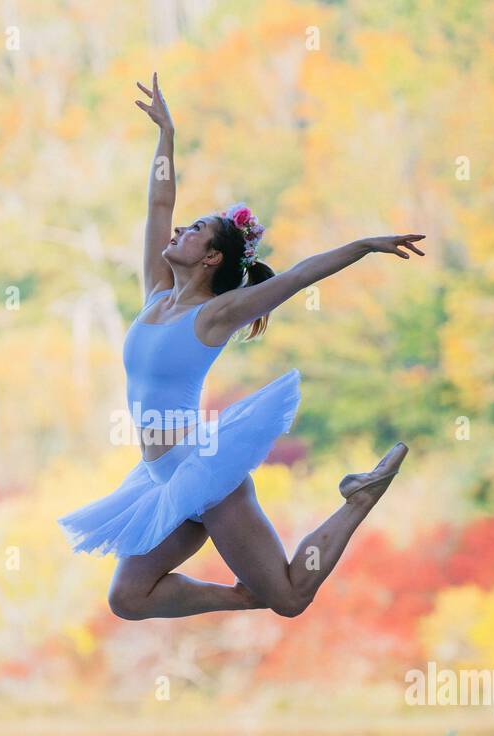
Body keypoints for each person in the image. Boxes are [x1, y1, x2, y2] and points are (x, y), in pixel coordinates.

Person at [58, 73, 425, 620]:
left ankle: (361, 496)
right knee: (128, 599)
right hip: (163, 478)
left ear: (212, 259)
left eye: (195, 230)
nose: (179, 230)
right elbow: (159, 203)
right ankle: (243, 595)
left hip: (204, 473)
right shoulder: (156, 295)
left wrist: (364, 245)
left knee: (292, 599)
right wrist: (167, 135)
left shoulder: (215, 316)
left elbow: (297, 276)